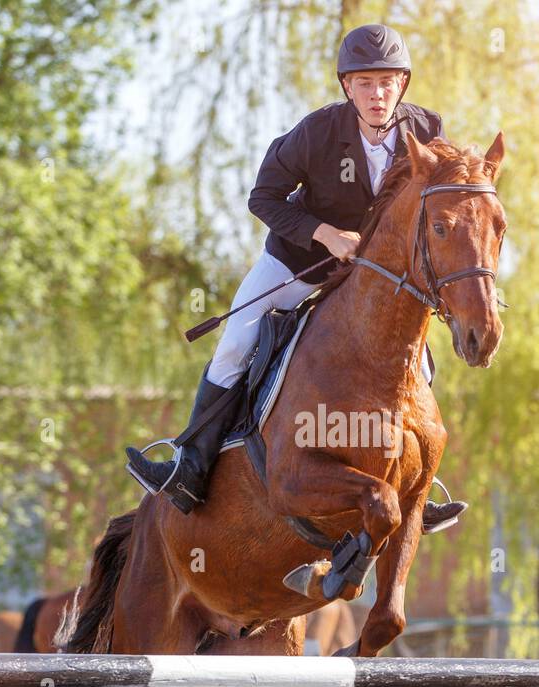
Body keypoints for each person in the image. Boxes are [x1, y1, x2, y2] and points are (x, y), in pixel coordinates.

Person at [125, 23, 468, 535]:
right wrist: (326, 234)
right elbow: (262, 198)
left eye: (387, 82)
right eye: (365, 83)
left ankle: (418, 485)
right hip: (299, 262)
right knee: (238, 340)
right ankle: (188, 463)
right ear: (347, 87)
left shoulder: (427, 130)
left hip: (375, 282)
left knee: (416, 359)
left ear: (403, 83)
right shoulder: (316, 133)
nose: (377, 94)